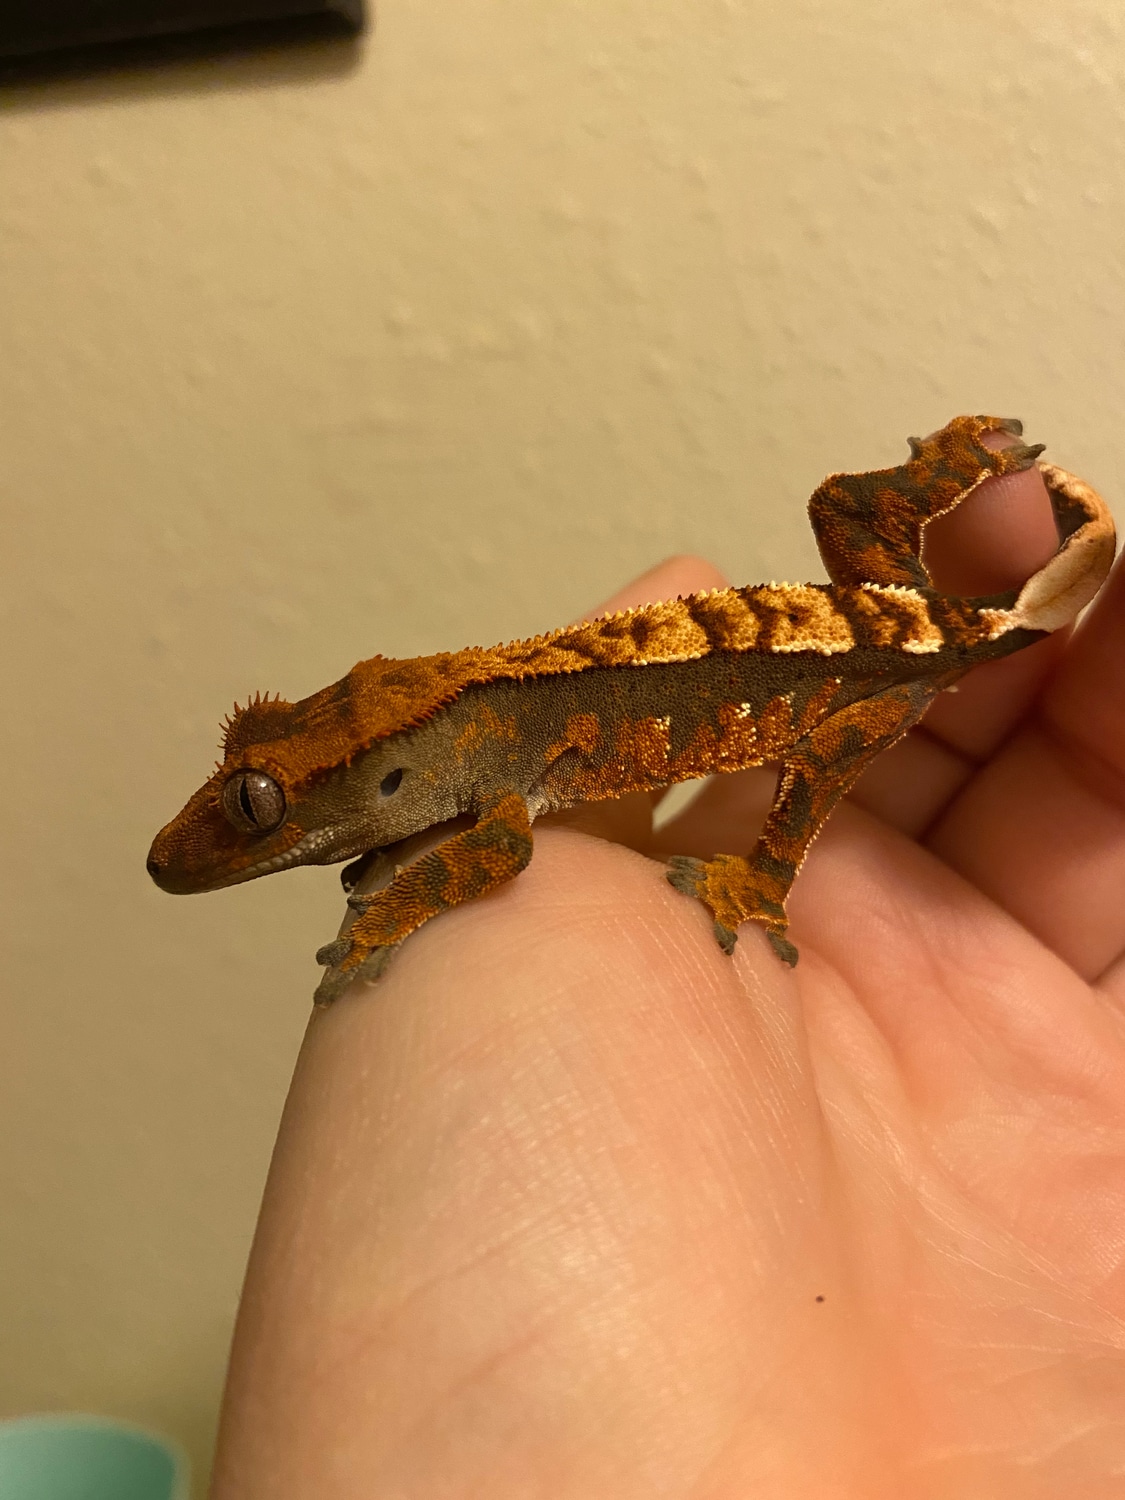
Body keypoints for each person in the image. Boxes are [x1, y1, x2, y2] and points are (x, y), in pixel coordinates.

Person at [209, 446, 1125, 1497]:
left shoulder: (489, 768)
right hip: (874, 619)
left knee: (819, 751)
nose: (242, 829)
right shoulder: (465, 734)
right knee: (840, 509)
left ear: (393, 761)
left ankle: (765, 879)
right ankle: (964, 471)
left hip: (871, 667)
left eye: (259, 812)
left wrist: (399, 909)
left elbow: (501, 852)